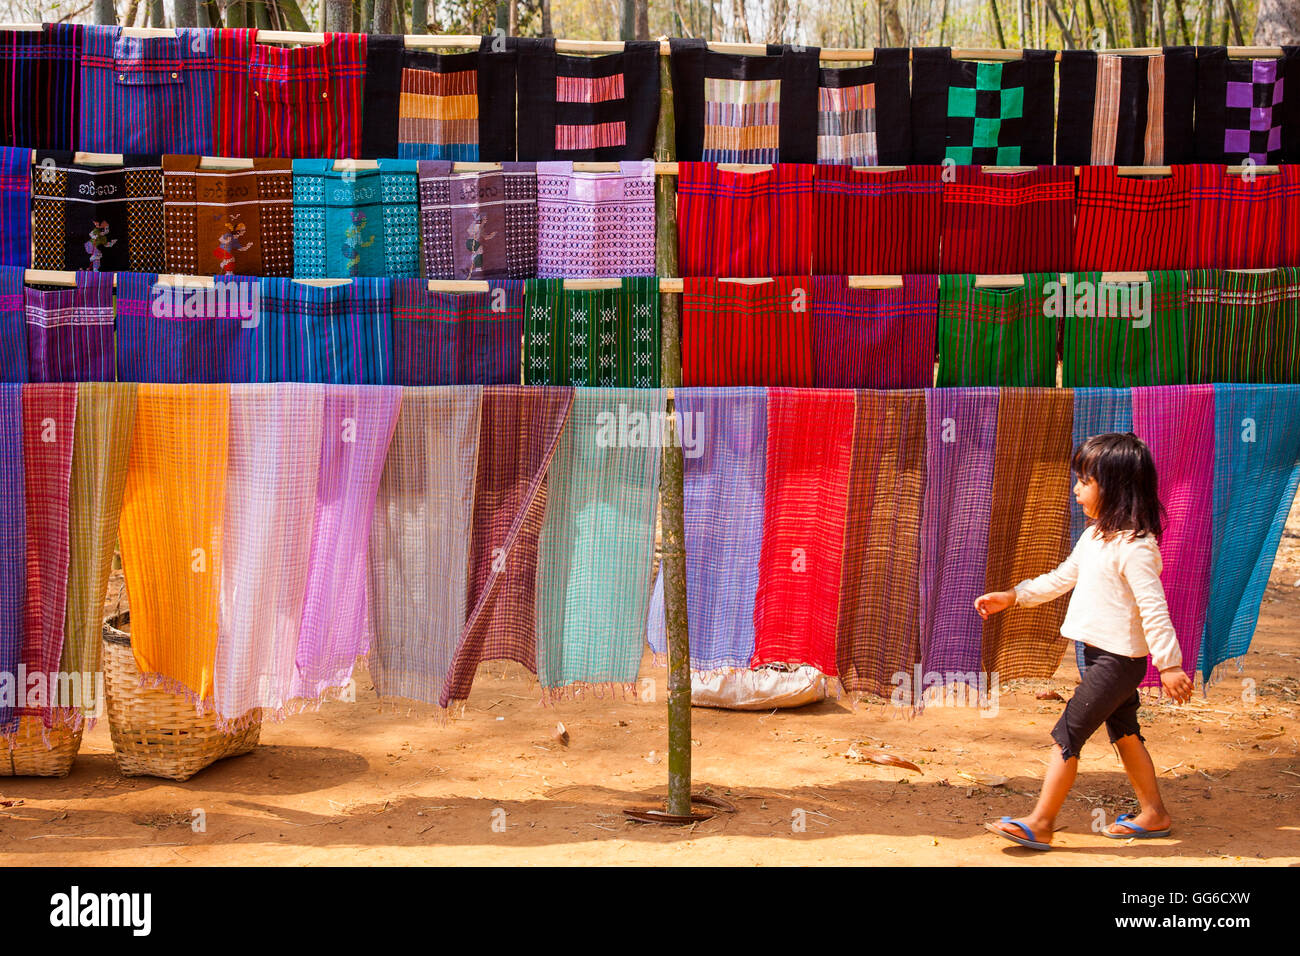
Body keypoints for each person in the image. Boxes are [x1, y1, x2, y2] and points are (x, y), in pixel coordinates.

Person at [973, 432, 1193, 851]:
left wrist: (1169, 664)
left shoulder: (1137, 549)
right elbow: (1061, 578)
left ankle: (1040, 821)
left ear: (1113, 487)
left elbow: (1155, 608)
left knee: (1066, 734)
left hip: (1119, 661)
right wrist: (1014, 596)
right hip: (1097, 655)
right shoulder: (1095, 538)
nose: (1076, 488)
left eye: (1084, 480)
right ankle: (1154, 814)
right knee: (1125, 733)